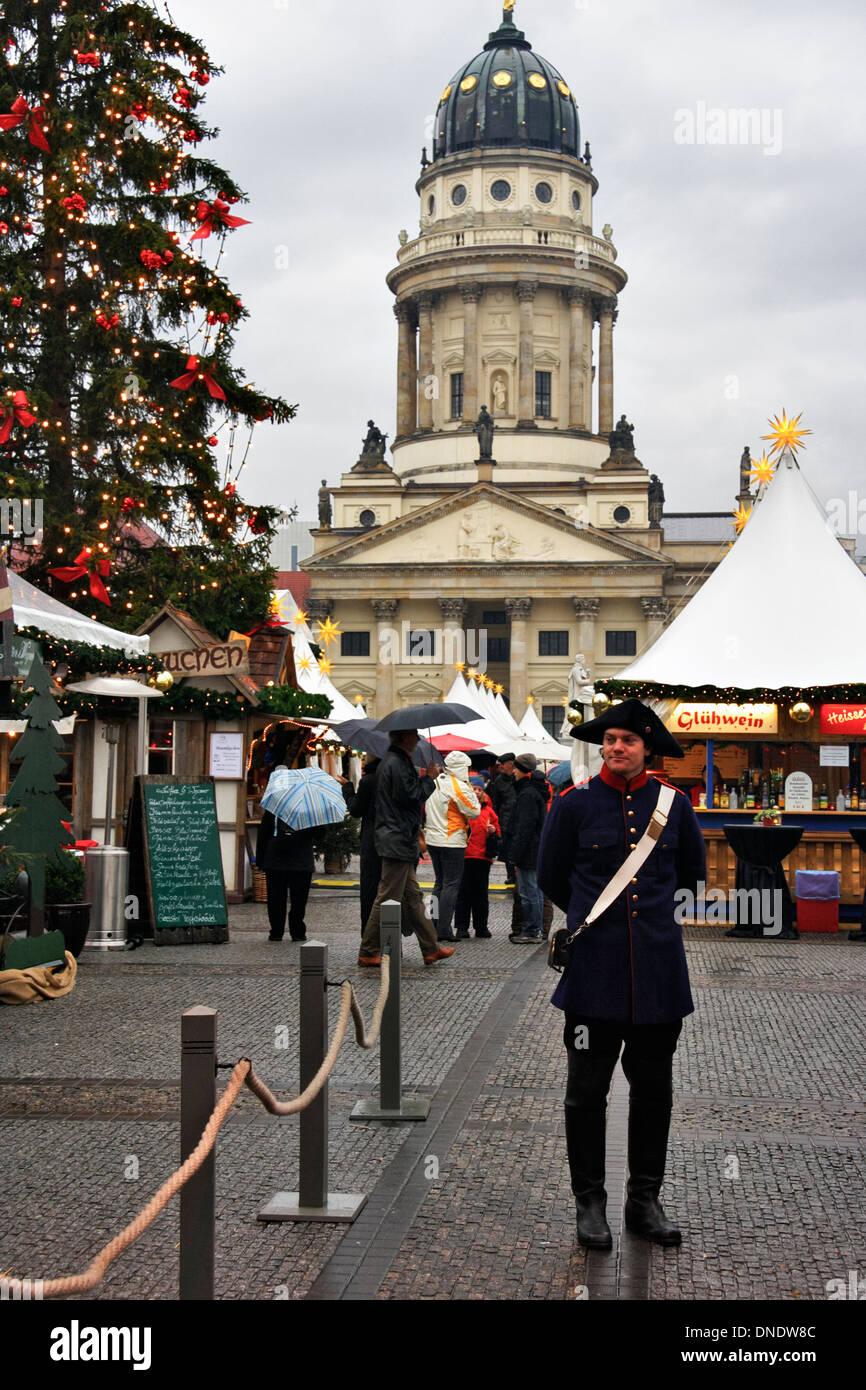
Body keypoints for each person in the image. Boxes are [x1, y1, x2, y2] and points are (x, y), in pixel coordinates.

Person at [537, 698, 706, 1250]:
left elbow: (691, 877)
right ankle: (589, 1204)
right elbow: (552, 876)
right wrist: (591, 919)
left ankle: (644, 1200)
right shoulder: (574, 802)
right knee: (585, 1093)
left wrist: (652, 922)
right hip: (594, 973)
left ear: (646, 748)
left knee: (653, 1092)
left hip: (657, 974)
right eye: (610, 739)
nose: (616, 747)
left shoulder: (674, 806)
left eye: (627, 740)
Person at [358, 729, 455, 968]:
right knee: (387, 897)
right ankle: (368, 950)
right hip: (396, 839)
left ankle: (430, 948)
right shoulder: (396, 763)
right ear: (403, 738)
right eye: (414, 735)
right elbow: (410, 796)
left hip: (399, 837)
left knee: (414, 899)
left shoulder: (396, 761)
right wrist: (429, 778)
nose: (418, 739)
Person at [257, 723, 319, 943]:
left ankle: (276, 932)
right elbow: (316, 831)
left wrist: (262, 859)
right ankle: (297, 931)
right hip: (300, 860)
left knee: (276, 898)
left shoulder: (272, 805)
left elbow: (264, 834)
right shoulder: (305, 802)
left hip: (276, 859)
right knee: (299, 899)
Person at [424, 751, 482, 942]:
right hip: (452, 840)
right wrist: (470, 791)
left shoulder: (435, 781)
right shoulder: (459, 786)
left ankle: (432, 923)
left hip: (432, 838)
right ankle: (444, 929)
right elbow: (474, 811)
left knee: (439, 882)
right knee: (451, 884)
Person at [501, 753, 548, 942]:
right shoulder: (532, 791)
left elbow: (525, 827)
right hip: (532, 848)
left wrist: (515, 853)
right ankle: (533, 929)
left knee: (529, 892)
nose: (513, 772)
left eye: (515, 769)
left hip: (528, 850)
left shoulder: (528, 794)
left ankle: (532, 930)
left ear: (523, 771)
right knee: (532, 891)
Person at [341, 756, 381, 932]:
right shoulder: (400, 777)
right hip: (397, 843)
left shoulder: (369, 781)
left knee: (370, 891)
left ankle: (369, 938)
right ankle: (393, 941)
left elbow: (356, 810)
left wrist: (348, 789)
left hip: (373, 842)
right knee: (394, 892)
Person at [454, 788, 500, 938]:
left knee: (480, 894)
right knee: (464, 893)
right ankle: (462, 927)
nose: (476, 791)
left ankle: (481, 927)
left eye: (479, 789)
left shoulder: (489, 811)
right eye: (473, 788)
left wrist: (493, 831)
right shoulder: (463, 809)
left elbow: (498, 830)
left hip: (482, 857)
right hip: (466, 855)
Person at [490, 753, 517, 882]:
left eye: (502, 764)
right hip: (505, 819)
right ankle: (511, 874)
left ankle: (518, 873)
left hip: (518, 818)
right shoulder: (498, 781)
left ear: (510, 764)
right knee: (507, 848)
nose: (500, 766)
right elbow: (496, 802)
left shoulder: (518, 777)